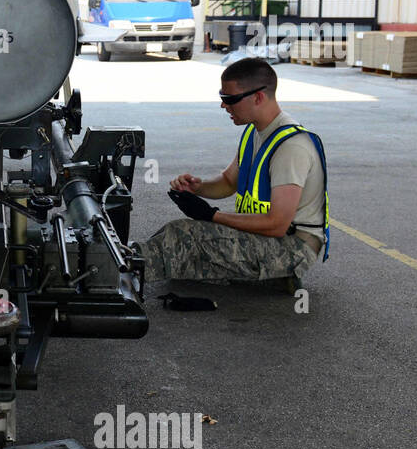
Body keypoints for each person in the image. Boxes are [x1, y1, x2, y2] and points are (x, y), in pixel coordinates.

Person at [138, 57, 329, 289]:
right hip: (269, 236)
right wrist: (197, 188)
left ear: (258, 97)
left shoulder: (291, 147)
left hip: (292, 247)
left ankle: (120, 273)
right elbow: (229, 181)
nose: (223, 106)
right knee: (179, 247)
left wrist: (212, 215)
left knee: (183, 237)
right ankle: (128, 260)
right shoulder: (255, 132)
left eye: (229, 99)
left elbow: (277, 223)